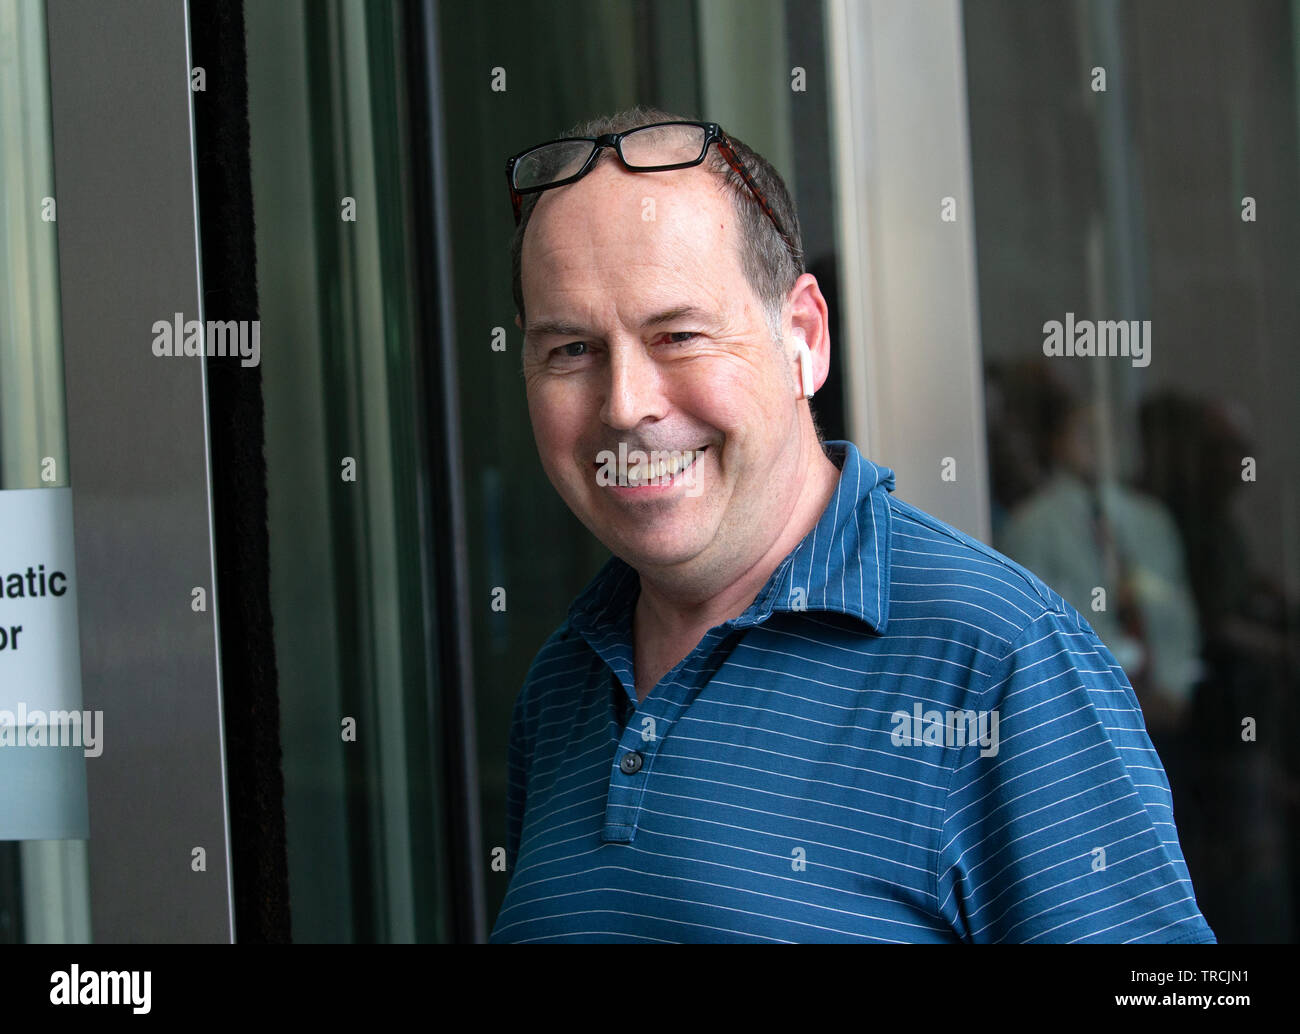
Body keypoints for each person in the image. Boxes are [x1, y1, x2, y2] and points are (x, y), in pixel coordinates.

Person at [488, 107, 1215, 943]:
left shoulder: (1000, 661)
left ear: (803, 337)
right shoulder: (562, 682)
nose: (625, 405)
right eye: (572, 350)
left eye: (678, 334)